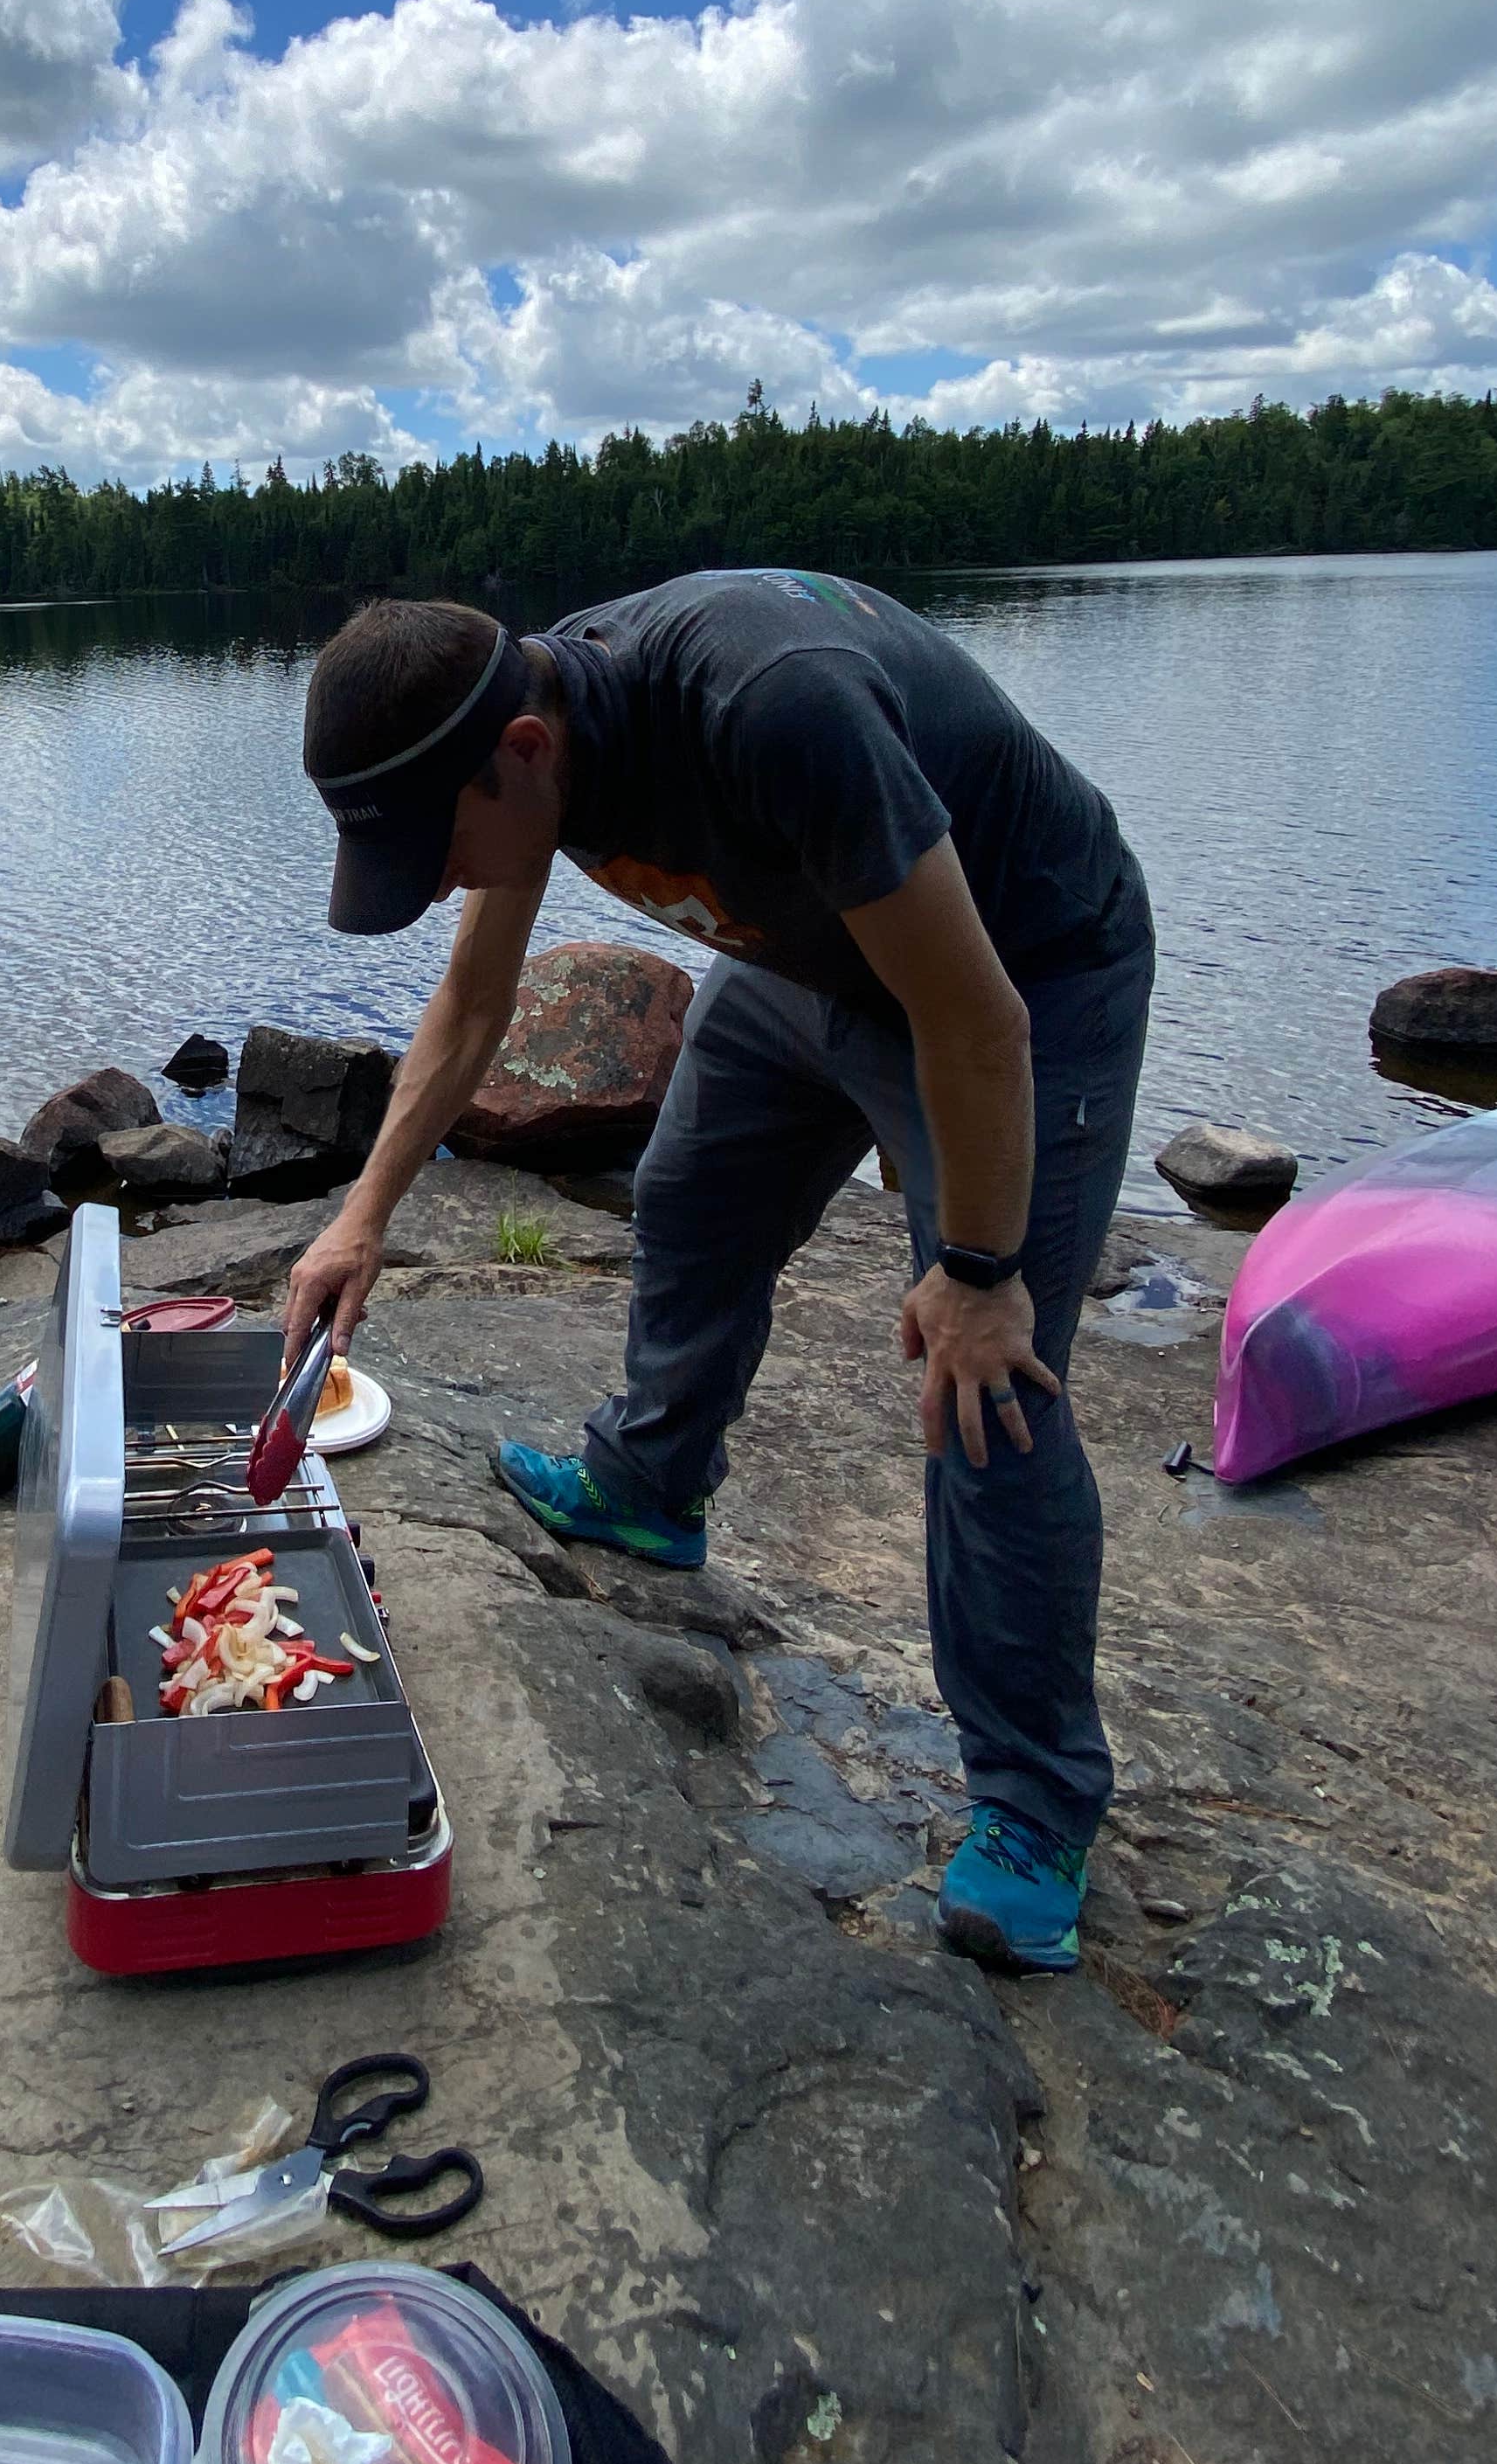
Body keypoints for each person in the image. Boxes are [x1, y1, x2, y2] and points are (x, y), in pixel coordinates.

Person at [281, 573, 1155, 1975]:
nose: (443, 881)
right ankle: (649, 1486)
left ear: (524, 753)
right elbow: (475, 1000)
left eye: (439, 850)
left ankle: (1037, 1803)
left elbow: (974, 1012)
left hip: (1023, 972)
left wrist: (982, 1271)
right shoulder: (529, 731)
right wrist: (362, 1214)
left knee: (988, 1386)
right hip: (813, 960)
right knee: (690, 1192)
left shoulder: (771, 706)